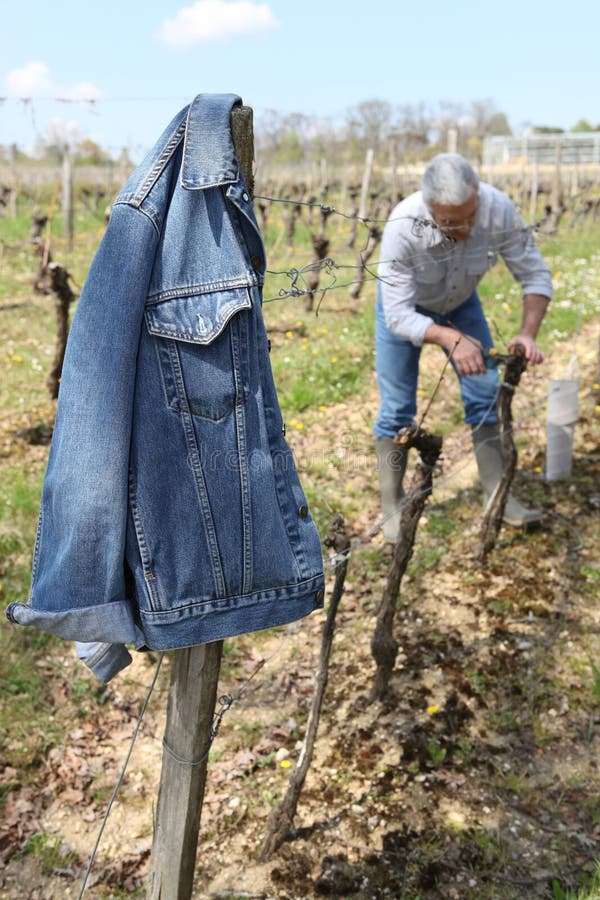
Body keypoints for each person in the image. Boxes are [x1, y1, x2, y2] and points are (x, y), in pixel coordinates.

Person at [375, 152, 553, 540]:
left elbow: (536, 276)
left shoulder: (499, 209)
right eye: (452, 223)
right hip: (407, 309)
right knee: (397, 409)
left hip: (460, 303)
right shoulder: (403, 225)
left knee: (486, 393)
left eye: (471, 216)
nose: (468, 229)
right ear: (430, 208)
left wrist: (527, 334)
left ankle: (497, 497)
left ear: (477, 193)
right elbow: (397, 315)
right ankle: (392, 507)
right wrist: (450, 338)